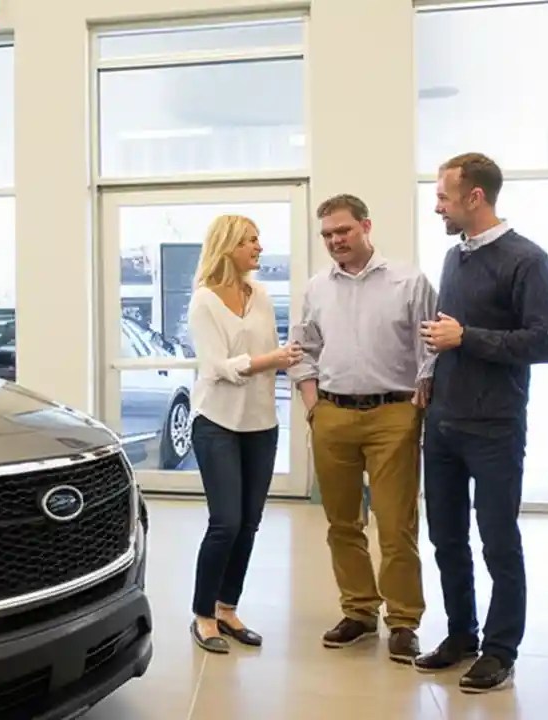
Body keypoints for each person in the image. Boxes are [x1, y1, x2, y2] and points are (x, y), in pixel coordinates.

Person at [416, 152, 548, 693]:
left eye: (443, 197)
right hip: (445, 422)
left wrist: (467, 338)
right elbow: (447, 330)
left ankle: (501, 649)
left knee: (498, 541)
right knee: (446, 537)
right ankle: (461, 635)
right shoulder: (454, 258)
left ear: (474, 196)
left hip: (496, 427)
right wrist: (430, 370)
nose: (438, 207)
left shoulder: (528, 260)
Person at [288, 194, 438, 665]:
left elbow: (431, 344)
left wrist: (420, 397)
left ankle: (403, 621)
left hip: (393, 414)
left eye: (343, 231)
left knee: (396, 524)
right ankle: (358, 610)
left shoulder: (407, 280)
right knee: (342, 523)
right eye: (328, 235)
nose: (336, 241)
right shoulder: (317, 287)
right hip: (332, 414)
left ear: (365, 227)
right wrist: (313, 406)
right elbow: (303, 348)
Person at [187, 214, 303, 654]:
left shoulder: (262, 295)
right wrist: (268, 359)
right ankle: (202, 616)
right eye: (251, 241)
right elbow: (217, 368)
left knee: (249, 524)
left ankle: (227, 607)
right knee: (226, 523)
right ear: (229, 246)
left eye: (259, 240)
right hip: (216, 423)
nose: (259, 247)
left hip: (261, 425)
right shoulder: (204, 301)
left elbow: (272, 356)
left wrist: (275, 362)